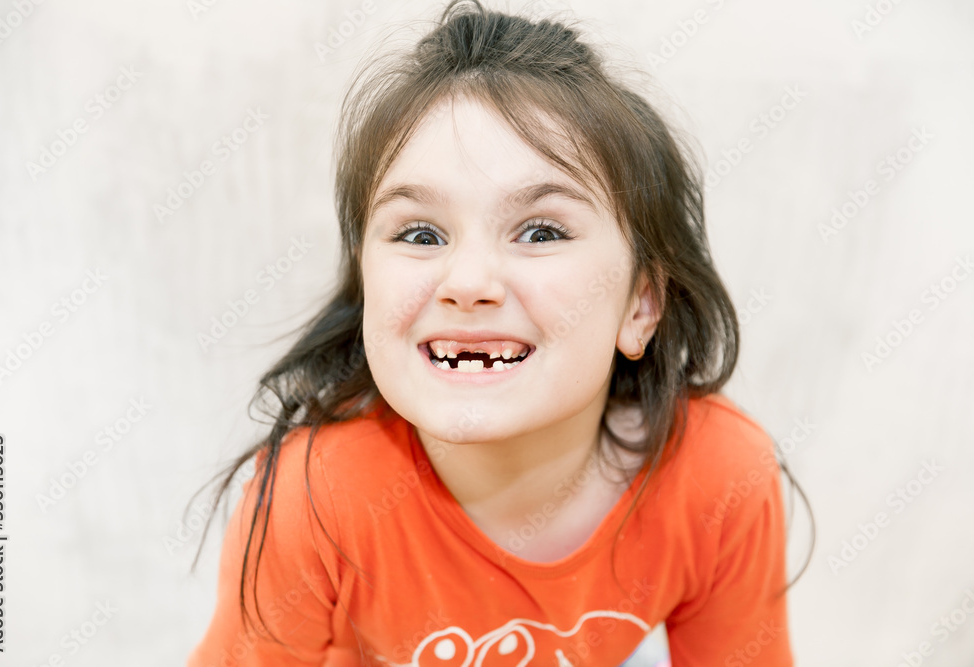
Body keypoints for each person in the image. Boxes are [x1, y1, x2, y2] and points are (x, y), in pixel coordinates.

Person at [187, 1, 810, 665]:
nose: (469, 279)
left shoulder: (717, 477)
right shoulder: (317, 494)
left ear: (641, 304)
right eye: (420, 234)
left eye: (541, 232)